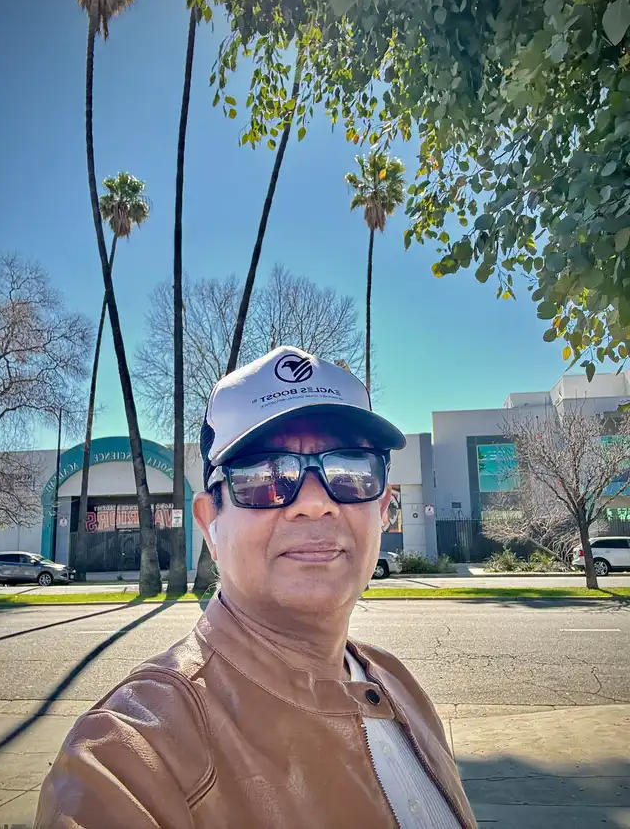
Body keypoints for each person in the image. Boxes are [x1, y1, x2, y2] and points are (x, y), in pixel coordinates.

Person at [35, 346, 476, 829]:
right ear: (209, 523)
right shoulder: (131, 753)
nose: (314, 503)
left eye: (350, 470)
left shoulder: (398, 684)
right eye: (266, 476)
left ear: (383, 508)